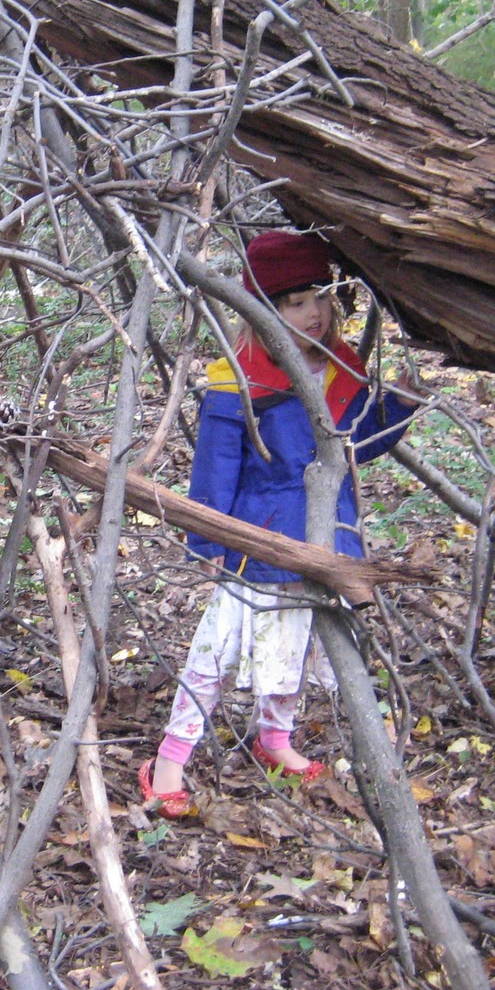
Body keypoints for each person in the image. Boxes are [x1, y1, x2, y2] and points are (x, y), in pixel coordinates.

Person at [138, 229, 417, 819]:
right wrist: (207, 536)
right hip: (258, 536)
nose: (312, 312)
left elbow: (353, 449)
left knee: (299, 638)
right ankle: (169, 760)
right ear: (263, 308)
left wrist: (398, 407)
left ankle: (275, 739)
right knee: (219, 648)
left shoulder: (343, 365)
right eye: (294, 301)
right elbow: (215, 468)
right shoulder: (236, 375)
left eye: (319, 295)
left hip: (326, 531)